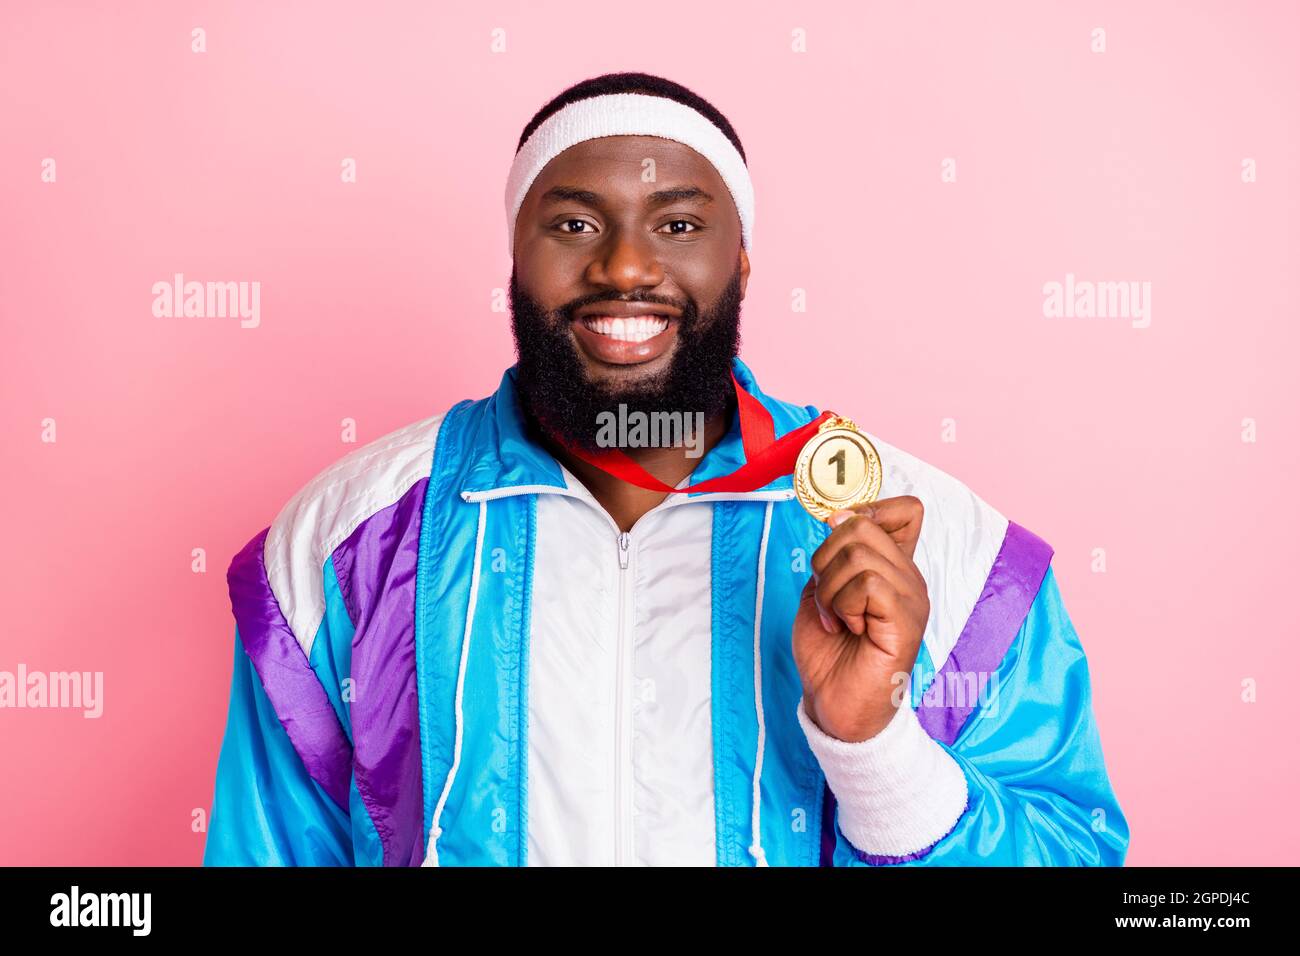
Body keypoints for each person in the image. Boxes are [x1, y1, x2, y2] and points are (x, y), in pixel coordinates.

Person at [203, 72, 1129, 867]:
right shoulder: (346, 544)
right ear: (513, 261)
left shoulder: (939, 542)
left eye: (680, 222)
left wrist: (876, 746)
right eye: (572, 222)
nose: (627, 266)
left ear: (745, 264)